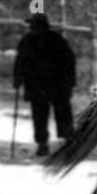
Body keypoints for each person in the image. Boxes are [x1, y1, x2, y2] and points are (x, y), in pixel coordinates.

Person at [14, 13, 76, 157]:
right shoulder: (29, 40)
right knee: (42, 115)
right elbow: (20, 62)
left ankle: (66, 141)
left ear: (40, 26)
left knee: (59, 113)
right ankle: (46, 143)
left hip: (53, 85)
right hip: (42, 85)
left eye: (33, 25)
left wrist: (70, 82)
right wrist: (17, 78)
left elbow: (69, 61)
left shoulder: (54, 40)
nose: (31, 27)